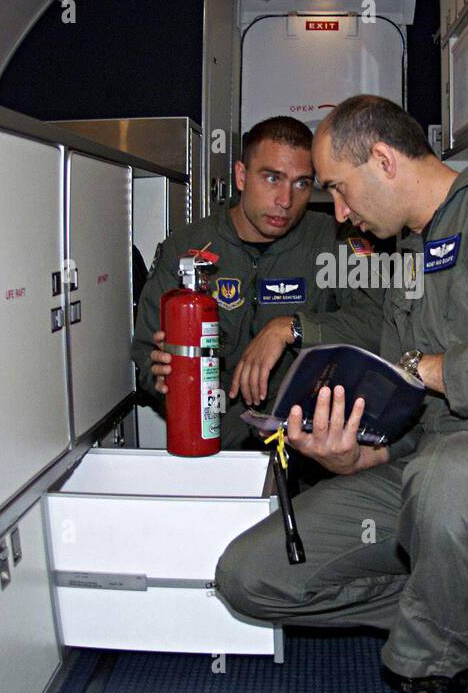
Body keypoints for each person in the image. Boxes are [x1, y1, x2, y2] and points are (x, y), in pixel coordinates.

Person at [214, 95, 468, 693]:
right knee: (248, 577)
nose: (340, 214)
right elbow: (407, 416)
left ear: (383, 160)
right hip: (429, 467)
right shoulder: (409, 258)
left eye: (341, 190)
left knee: (458, 473)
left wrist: (431, 368)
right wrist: (355, 458)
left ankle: (433, 680)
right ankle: (449, 602)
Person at [132, 115, 381, 450]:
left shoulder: (333, 242)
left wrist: (290, 328)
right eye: (272, 178)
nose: (285, 200)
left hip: (306, 452)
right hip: (214, 446)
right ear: (241, 176)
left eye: (301, 184)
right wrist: (159, 373)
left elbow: (382, 323)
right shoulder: (188, 247)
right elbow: (147, 350)